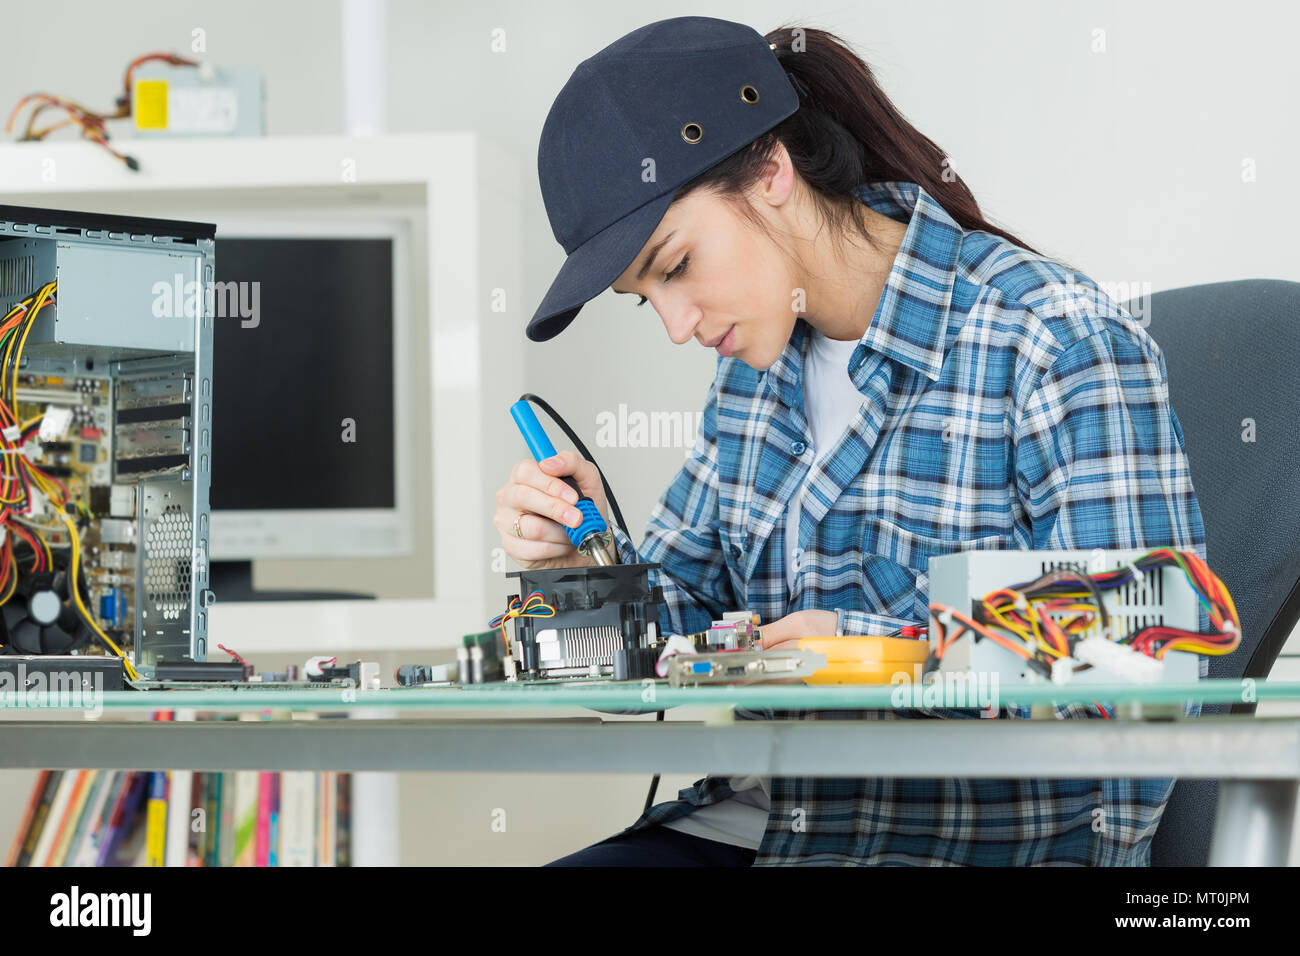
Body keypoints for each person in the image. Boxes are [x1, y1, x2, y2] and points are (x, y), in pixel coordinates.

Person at [493, 16, 1206, 866]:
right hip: (761, 830)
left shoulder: (1052, 338)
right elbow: (664, 639)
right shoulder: (753, 376)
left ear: (770, 173)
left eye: (675, 265)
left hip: (954, 847)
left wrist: (882, 652)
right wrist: (579, 578)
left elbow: (1153, 642)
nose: (677, 326)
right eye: (645, 297)